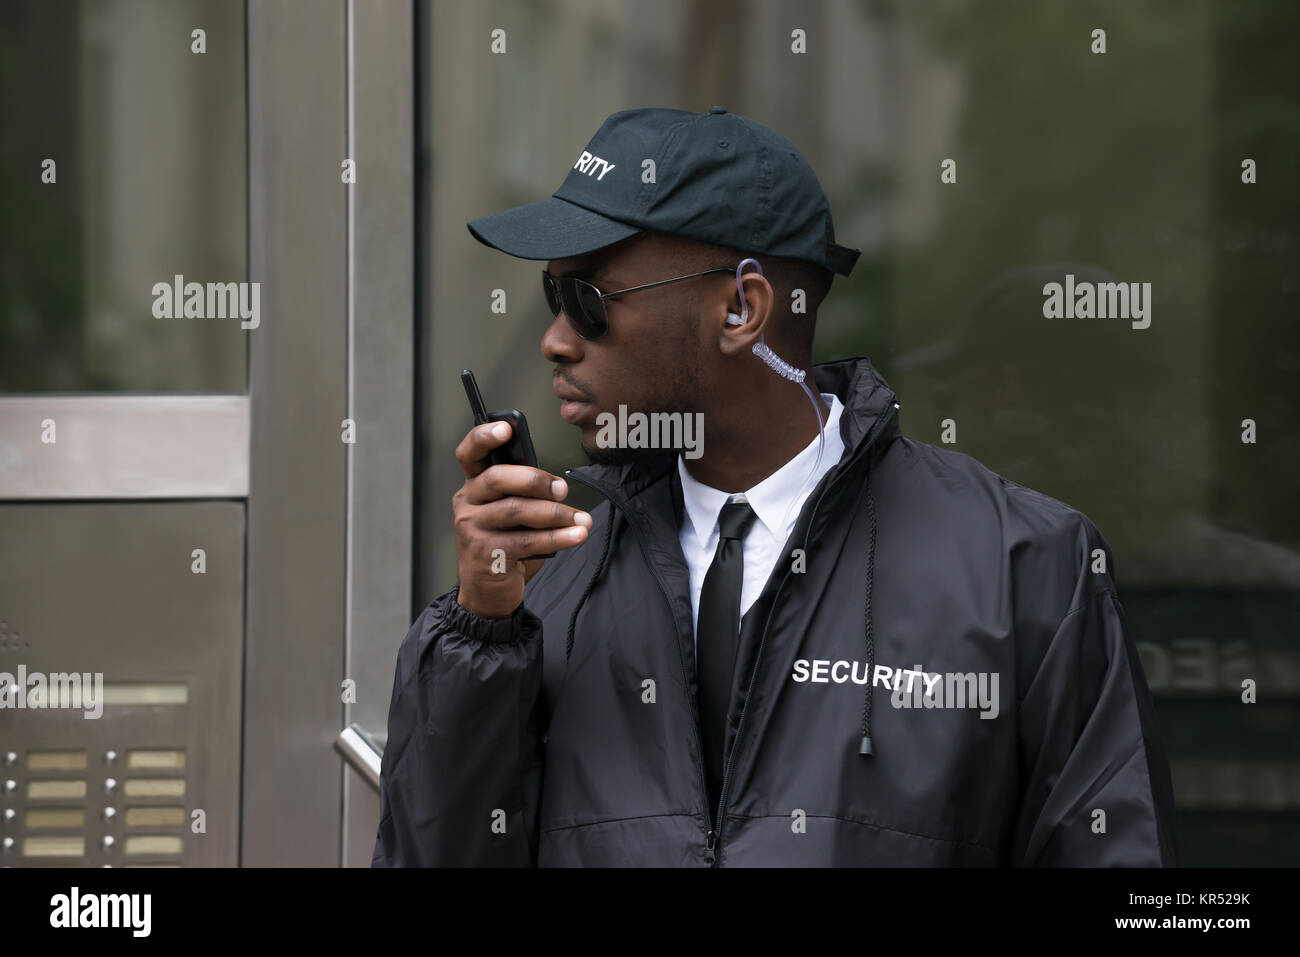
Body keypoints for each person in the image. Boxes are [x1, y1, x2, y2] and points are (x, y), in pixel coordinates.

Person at [371, 106, 1178, 867]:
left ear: (742, 311)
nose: (553, 341)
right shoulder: (546, 583)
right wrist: (482, 633)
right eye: (553, 298)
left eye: (587, 301)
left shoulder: (1023, 567)